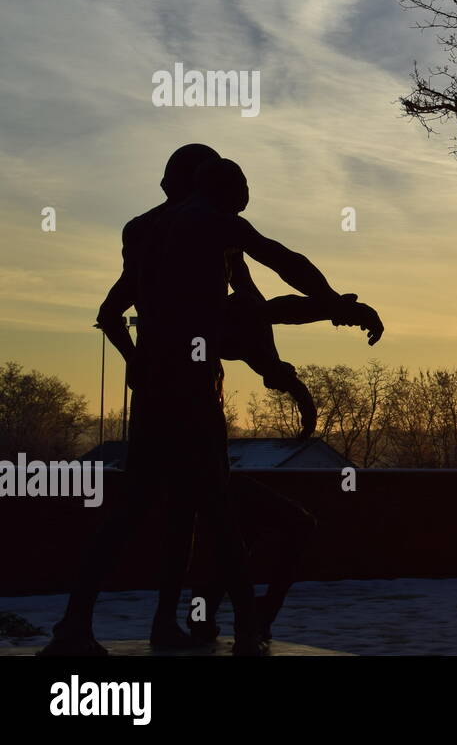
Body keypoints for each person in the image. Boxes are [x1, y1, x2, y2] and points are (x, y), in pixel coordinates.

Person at [40, 149, 379, 656]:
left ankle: (82, 626)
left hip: (155, 388)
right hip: (194, 389)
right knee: (215, 509)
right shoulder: (213, 223)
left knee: (139, 511)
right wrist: (333, 304)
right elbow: (282, 265)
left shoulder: (141, 231)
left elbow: (112, 312)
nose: (238, 213)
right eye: (236, 202)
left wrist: (137, 360)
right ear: (212, 186)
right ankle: (246, 631)